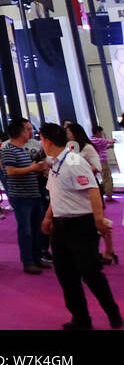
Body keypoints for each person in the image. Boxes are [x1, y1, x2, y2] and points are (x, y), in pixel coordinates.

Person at [39, 123, 122, 330]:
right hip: (60, 226)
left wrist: (99, 219)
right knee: (66, 276)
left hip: (81, 225)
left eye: (41, 139)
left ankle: (113, 313)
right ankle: (81, 318)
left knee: (91, 273)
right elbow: (55, 194)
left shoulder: (74, 163)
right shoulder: (55, 164)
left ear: (47, 141)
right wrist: (48, 218)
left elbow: (93, 190)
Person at [2, 117, 53, 274]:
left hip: (33, 193)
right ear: (20, 132)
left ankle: (37, 258)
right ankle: (28, 261)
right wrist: (33, 168)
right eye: (27, 129)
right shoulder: (9, 149)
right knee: (26, 230)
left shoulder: (23, 149)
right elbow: (10, 171)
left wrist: (38, 168)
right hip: (21, 196)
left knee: (37, 228)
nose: (30, 132)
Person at [68, 122, 115, 262]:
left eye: (68, 132)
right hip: (77, 189)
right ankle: (92, 252)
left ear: (76, 133)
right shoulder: (72, 148)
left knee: (100, 219)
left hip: (91, 187)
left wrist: (83, 172)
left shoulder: (88, 147)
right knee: (85, 222)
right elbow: (71, 167)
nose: (66, 135)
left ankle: (109, 250)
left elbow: (98, 167)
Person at [91, 126, 116, 201]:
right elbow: (111, 142)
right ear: (98, 132)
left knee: (103, 177)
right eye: (101, 132)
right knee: (107, 178)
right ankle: (108, 194)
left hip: (96, 162)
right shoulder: (100, 140)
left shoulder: (91, 140)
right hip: (103, 161)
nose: (102, 134)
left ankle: (103, 191)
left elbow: (103, 147)